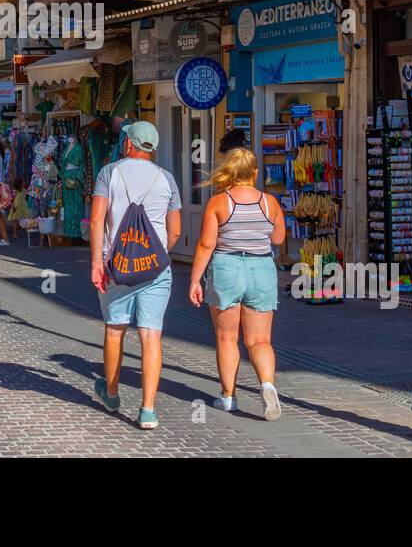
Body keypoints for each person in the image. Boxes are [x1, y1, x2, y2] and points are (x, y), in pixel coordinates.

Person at [90, 121, 181, 430]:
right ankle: (148, 410)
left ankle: (112, 394)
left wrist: (96, 263)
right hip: (156, 269)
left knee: (115, 330)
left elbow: (96, 220)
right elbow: (176, 229)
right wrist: (157, 254)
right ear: (151, 148)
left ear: (129, 143)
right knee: (151, 334)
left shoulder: (109, 173)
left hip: (116, 268)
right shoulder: (166, 178)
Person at [188, 147, 287, 420]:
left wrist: (195, 279)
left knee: (227, 338)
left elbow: (207, 244)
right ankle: (267, 384)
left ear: (229, 172)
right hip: (261, 271)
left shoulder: (220, 203)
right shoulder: (270, 203)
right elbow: (278, 239)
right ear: (255, 173)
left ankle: (228, 397)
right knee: (259, 340)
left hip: (227, 269)